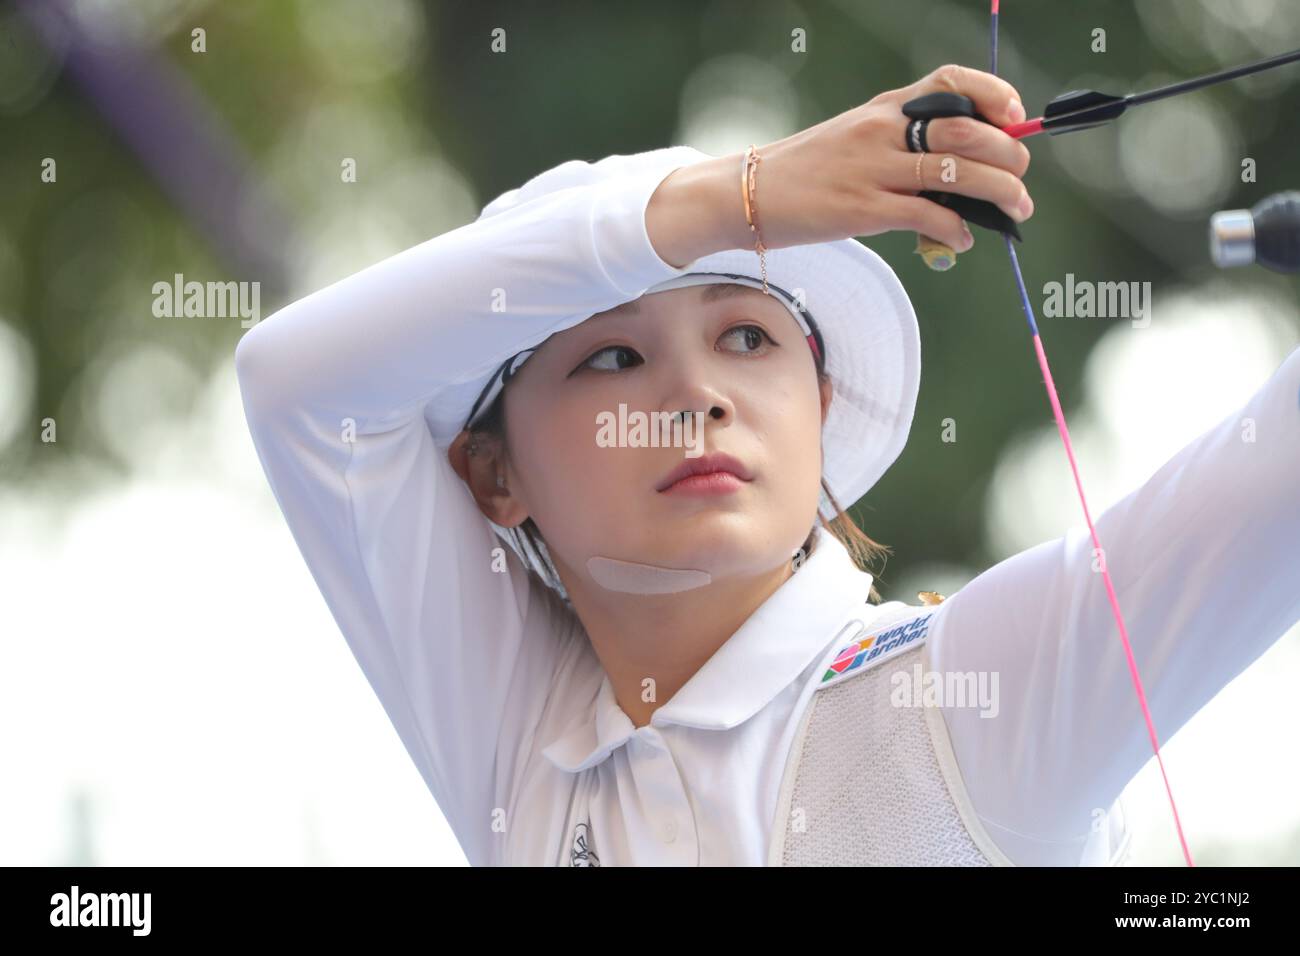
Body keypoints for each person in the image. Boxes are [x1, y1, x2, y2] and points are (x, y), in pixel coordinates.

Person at [234, 64, 1300, 866]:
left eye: (748, 336)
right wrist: (739, 198)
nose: (698, 394)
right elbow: (294, 383)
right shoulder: (530, 743)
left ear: (819, 401)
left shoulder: (965, 697)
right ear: (493, 474)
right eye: (612, 355)